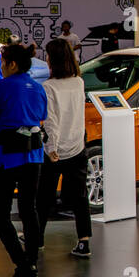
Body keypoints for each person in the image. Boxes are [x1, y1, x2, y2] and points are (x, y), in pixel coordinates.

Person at [0, 43, 48, 277]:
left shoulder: (1, 87)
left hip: (6, 155)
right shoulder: (38, 87)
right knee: (28, 209)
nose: (1, 66)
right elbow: (40, 117)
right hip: (33, 154)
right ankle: (31, 261)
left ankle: (22, 263)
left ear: (12, 64)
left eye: (4, 61)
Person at [36, 38, 92, 258]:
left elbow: (51, 121)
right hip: (77, 147)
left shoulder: (48, 87)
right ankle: (84, 241)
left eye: (48, 55)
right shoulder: (79, 82)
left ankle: (37, 238)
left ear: (54, 59)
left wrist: (51, 148)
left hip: (56, 151)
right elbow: (77, 116)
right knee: (80, 197)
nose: (46, 58)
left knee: (43, 196)